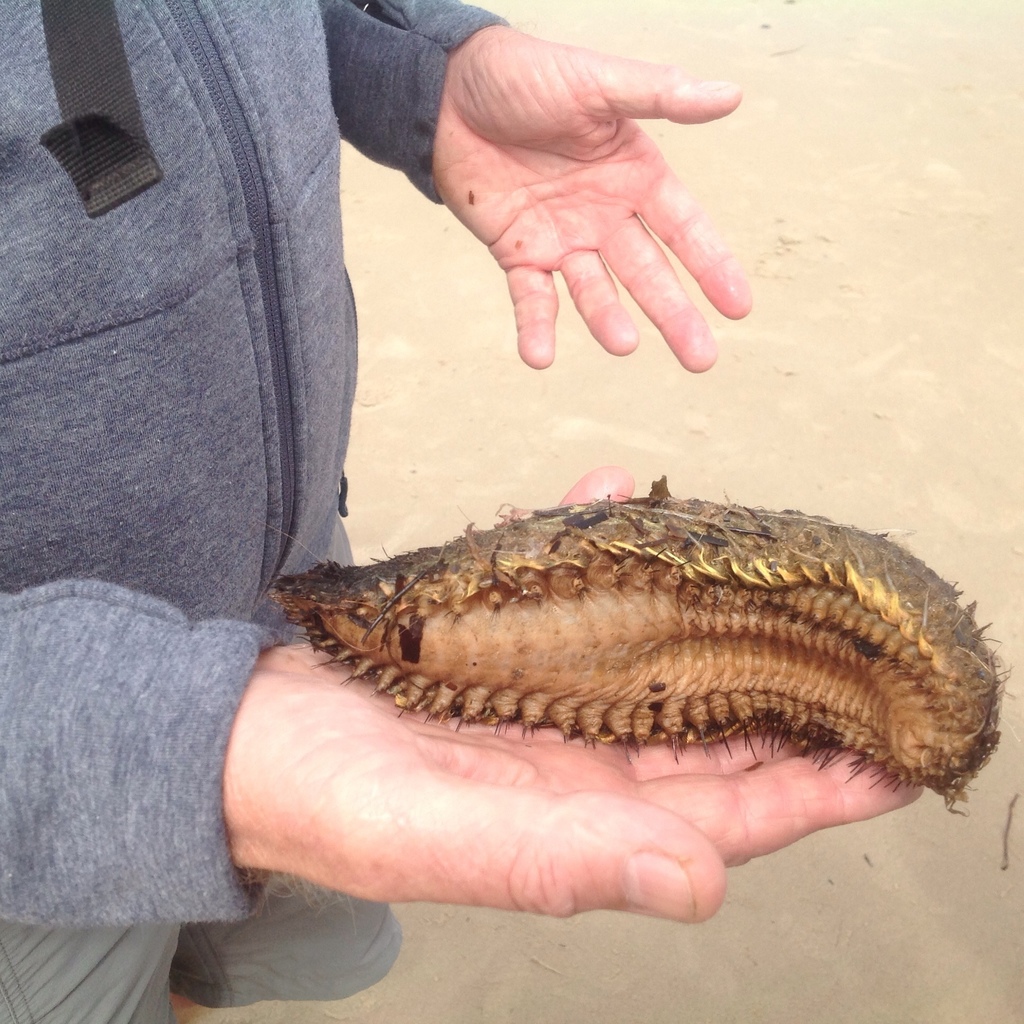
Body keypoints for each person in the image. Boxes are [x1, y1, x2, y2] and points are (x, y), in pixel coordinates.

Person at [0, 2, 917, 1021]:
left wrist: (429, 70)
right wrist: (166, 744)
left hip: (297, 591)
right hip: (50, 746)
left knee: (213, 950)